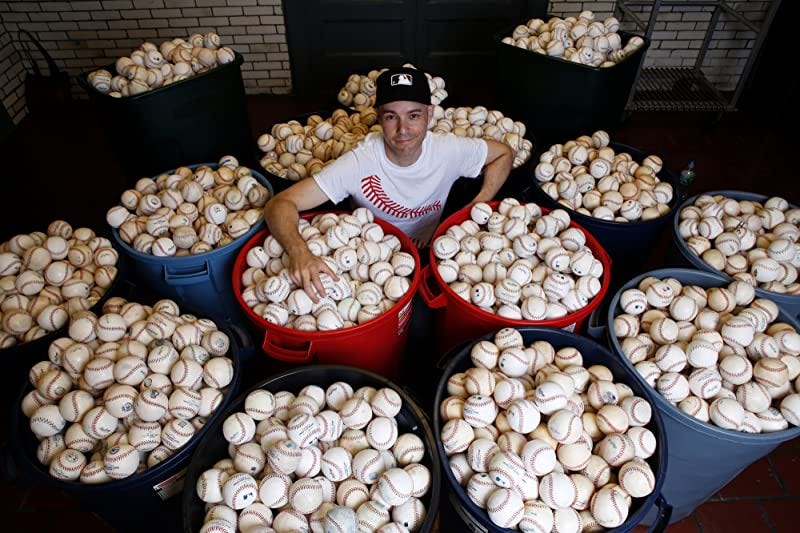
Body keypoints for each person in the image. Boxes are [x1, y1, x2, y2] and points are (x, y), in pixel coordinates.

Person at [263, 66, 513, 300]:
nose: (403, 129)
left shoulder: (448, 150)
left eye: (413, 115)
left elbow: (504, 153)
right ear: (378, 118)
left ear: (430, 114)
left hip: (431, 249)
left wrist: (479, 203)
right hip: (373, 261)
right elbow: (280, 203)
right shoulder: (359, 163)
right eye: (392, 116)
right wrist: (299, 252)